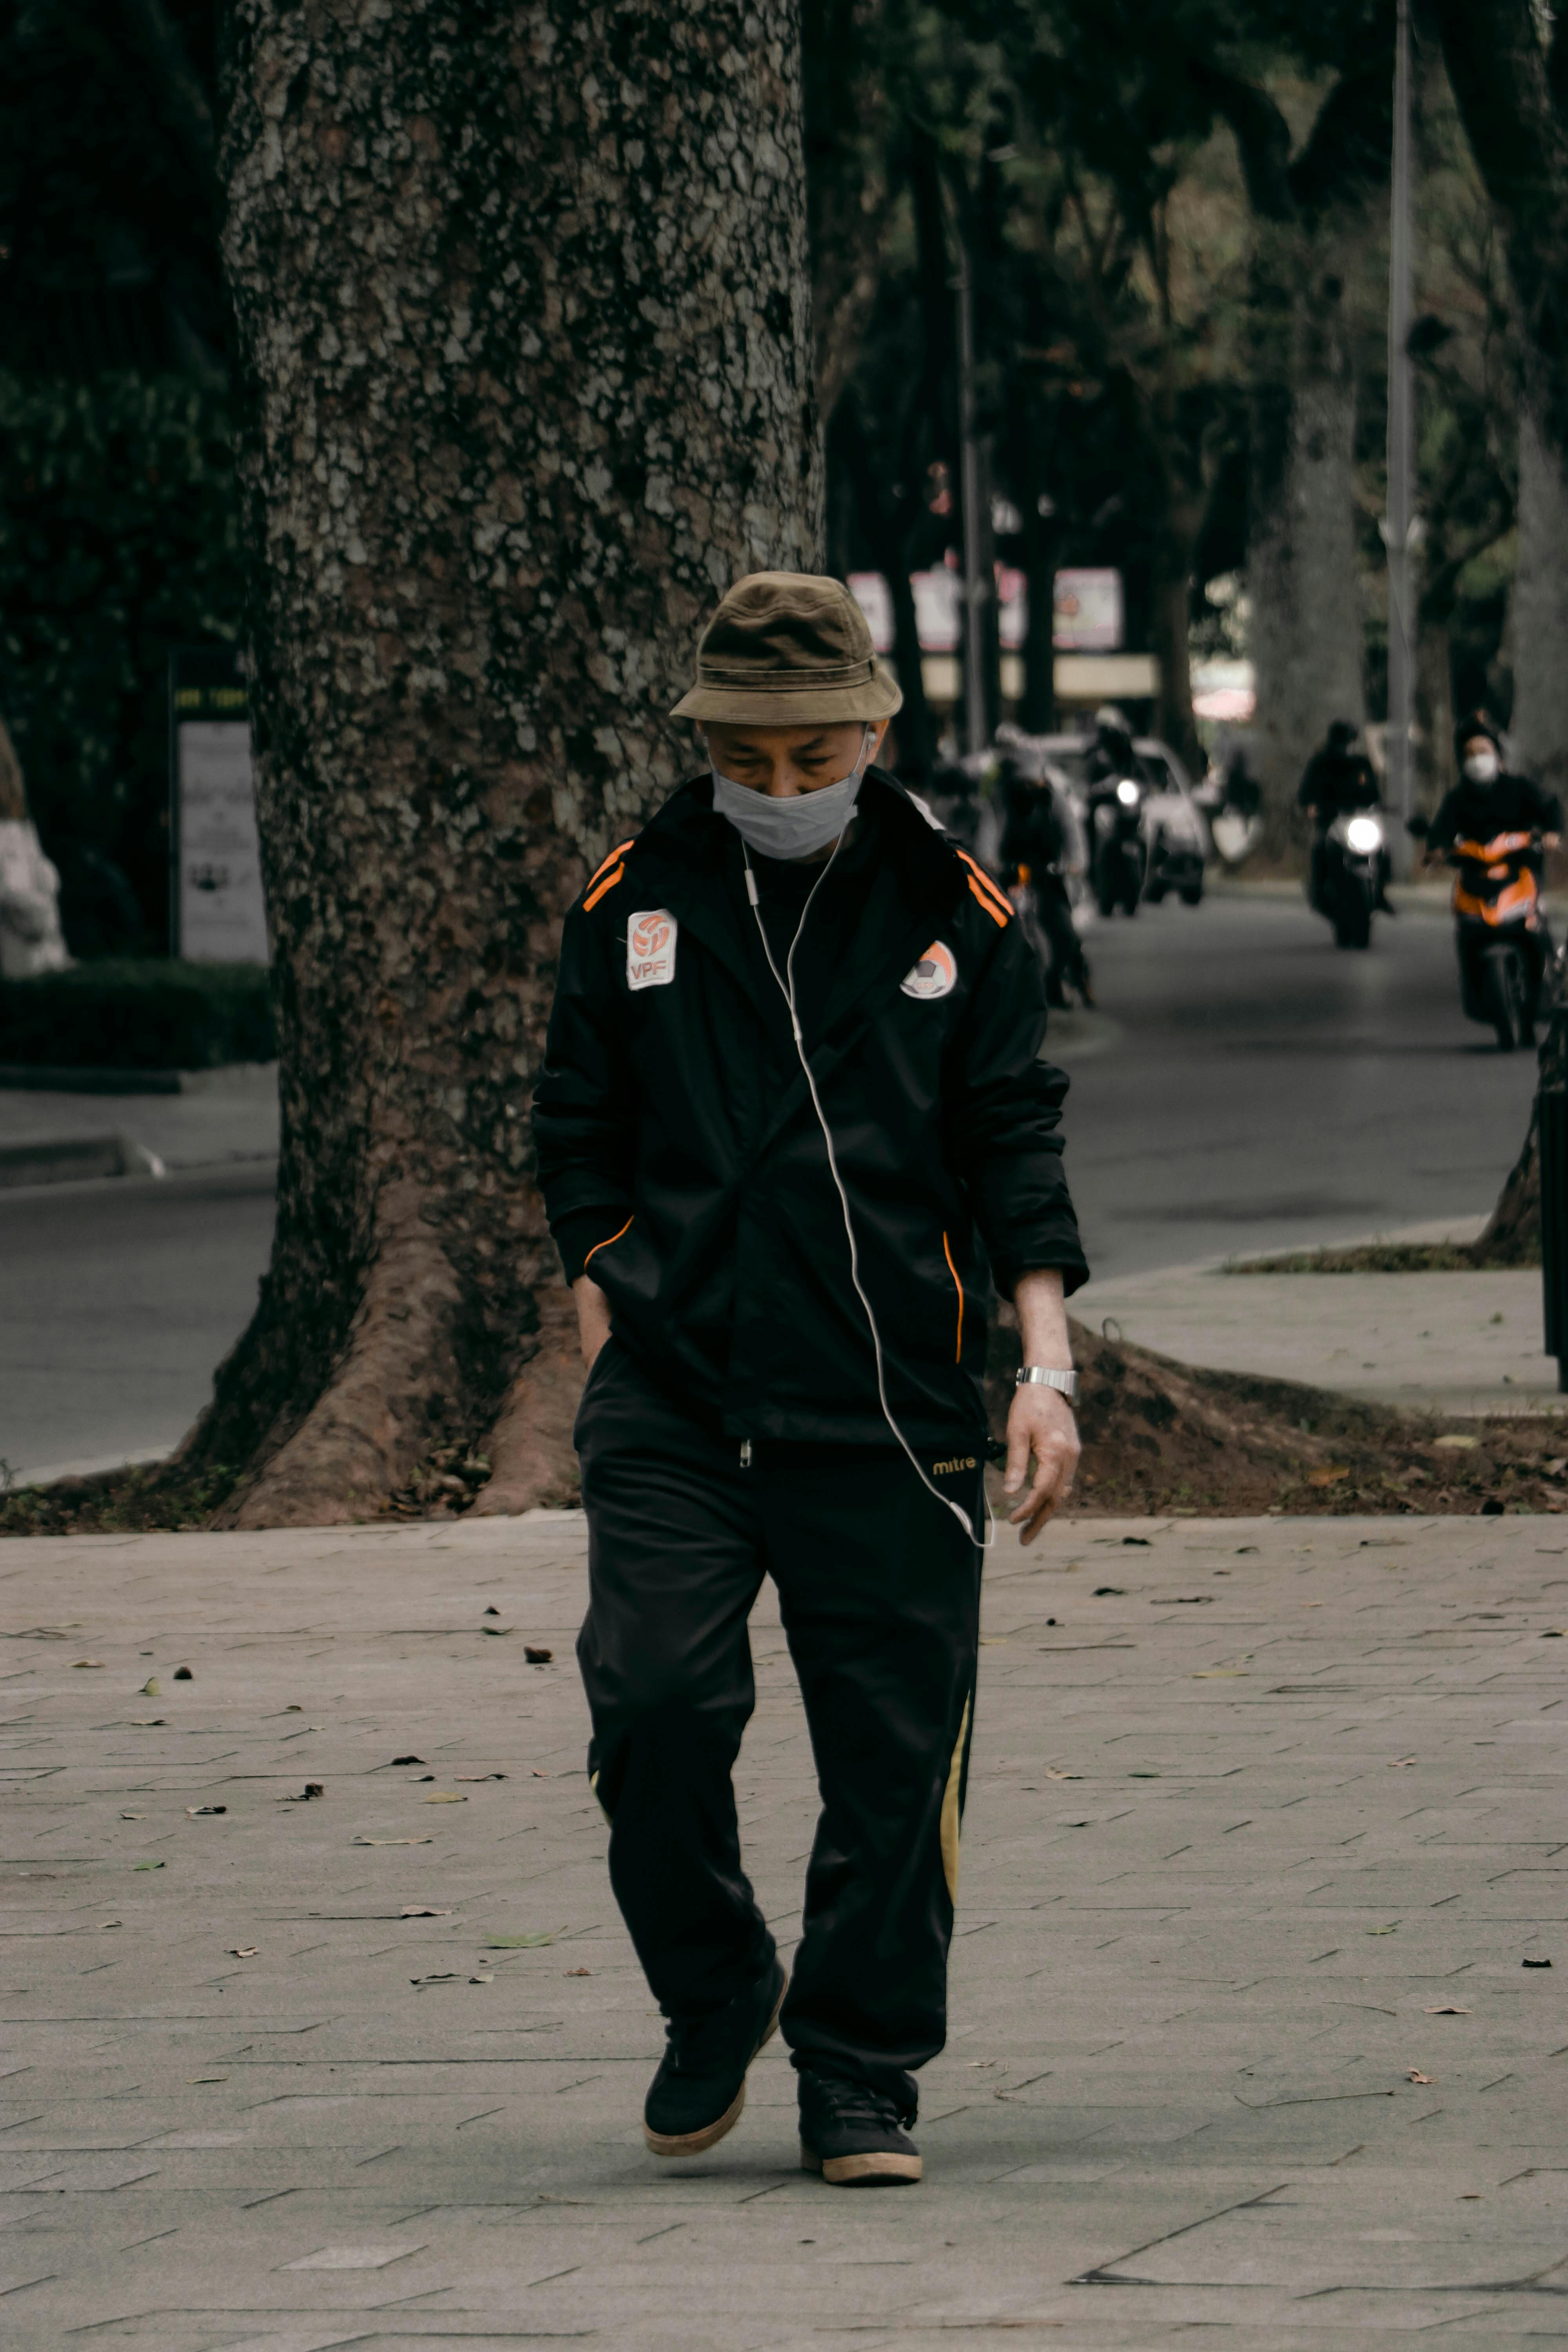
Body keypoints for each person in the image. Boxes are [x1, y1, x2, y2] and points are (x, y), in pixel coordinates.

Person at [532, 572, 1088, 2190]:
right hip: (675, 1397)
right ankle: (715, 1991)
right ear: (705, 742)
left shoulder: (957, 912)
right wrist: (603, 1304)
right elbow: (577, 1127)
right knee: (651, 1703)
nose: (780, 785)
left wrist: (1042, 1370)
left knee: (897, 1757)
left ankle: (859, 2071)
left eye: (813, 755)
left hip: (889, 1402)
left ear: (874, 733)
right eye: (747, 758)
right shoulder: (631, 899)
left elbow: (1013, 1146)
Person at [1426, 711, 1562, 1027]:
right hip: (1474, 878)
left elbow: (1550, 809)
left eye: (1483, 751)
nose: (1477, 759)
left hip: (1520, 871)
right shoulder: (1457, 799)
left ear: (1498, 756)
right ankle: (1475, 990)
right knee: (1465, 931)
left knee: (1537, 926)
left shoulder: (1519, 788)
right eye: (1470, 754)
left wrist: (1552, 834)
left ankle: (1552, 980)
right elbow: (1441, 831)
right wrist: (1436, 850)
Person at [997, 755, 1093, 1007]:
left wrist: (1075, 864)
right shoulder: (1003, 803)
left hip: (1049, 877)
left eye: (1034, 782)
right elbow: (990, 836)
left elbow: (1073, 835)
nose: (1029, 788)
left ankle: (1068, 976)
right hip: (1013, 877)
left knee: (1065, 932)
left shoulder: (1055, 802)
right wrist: (991, 862)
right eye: (1024, 782)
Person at [1298, 719, 1383, 910]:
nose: (1346, 747)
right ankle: (1319, 891)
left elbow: (1375, 793)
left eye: (1350, 741)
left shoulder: (1361, 764)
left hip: (1358, 820)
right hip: (1330, 822)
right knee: (1320, 848)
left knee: (1382, 848)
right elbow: (1305, 793)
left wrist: (1377, 805)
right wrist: (1314, 805)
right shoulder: (1321, 763)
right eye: (1343, 741)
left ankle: (1380, 893)